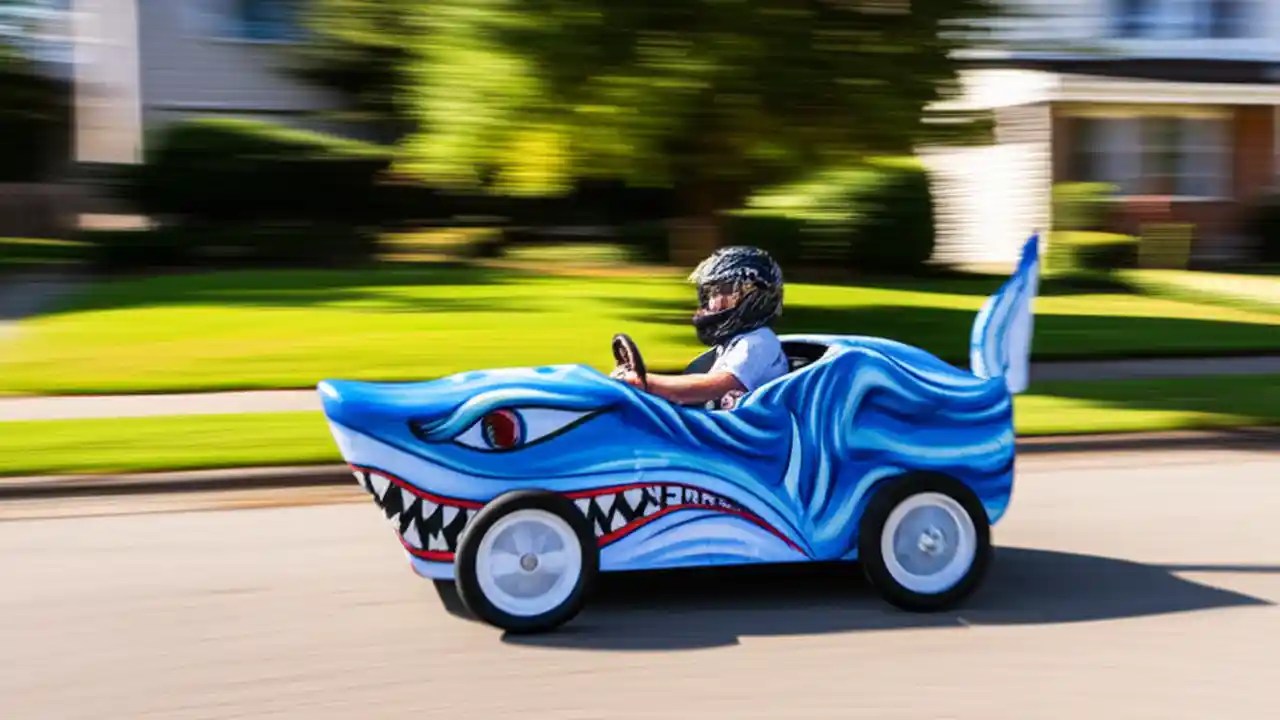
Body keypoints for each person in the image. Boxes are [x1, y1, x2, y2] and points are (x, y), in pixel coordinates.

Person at [615, 245, 789, 407]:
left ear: (756, 296)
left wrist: (644, 383)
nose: (713, 302)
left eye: (724, 291)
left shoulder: (759, 342)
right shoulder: (730, 345)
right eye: (712, 293)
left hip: (746, 428)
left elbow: (713, 388)